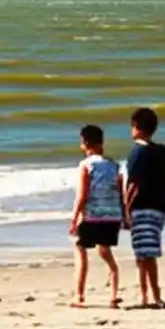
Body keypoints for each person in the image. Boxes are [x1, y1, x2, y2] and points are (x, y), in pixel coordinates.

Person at [124, 107, 165, 308]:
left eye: (132, 126)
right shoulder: (162, 150)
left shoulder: (136, 152)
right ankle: (148, 295)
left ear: (137, 128)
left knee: (143, 254)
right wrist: (162, 184)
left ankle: (150, 296)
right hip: (159, 207)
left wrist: (125, 208)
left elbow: (132, 185)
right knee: (146, 252)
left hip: (141, 207)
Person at [67, 125, 126, 308]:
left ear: (85, 143)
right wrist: (124, 217)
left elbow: (82, 196)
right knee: (105, 251)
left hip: (92, 217)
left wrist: (74, 218)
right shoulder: (114, 166)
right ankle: (113, 293)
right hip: (112, 217)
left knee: (79, 248)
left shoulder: (86, 165)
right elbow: (120, 193)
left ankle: (79, 295)